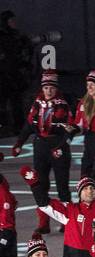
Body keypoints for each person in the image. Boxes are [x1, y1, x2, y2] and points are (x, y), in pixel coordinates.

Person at [13, 71, 74, 209]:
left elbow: (71, 129)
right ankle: (44, 221)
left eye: (52, 88)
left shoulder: (63, 105)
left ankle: (67, 219)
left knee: (62, 186)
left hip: (57, 146)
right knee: (41, 185)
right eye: (46, 88)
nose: (49, 91)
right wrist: (19, 143)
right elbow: (29, 125)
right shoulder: (37, 103)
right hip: (41, 146)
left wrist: (63, 145)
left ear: (56, 88)